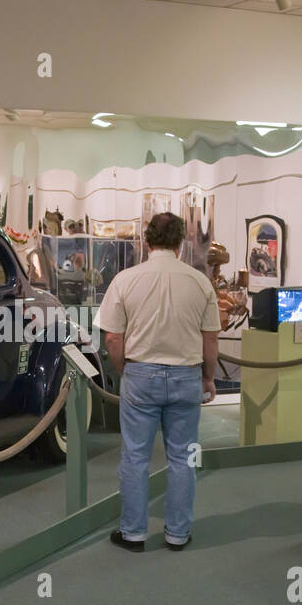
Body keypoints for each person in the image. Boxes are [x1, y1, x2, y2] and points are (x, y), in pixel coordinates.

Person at [95, 212, 220, 552]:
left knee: (135, 456)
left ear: (146, 239)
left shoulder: (125, 280)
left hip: (140, 374)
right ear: (181, 242)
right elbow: (210, 341)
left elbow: (111, 340)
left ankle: (134, 533)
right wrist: (208, 377)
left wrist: (125, 371)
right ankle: (178, 533)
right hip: (186, 376)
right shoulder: (200, 282)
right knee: (183, 457)